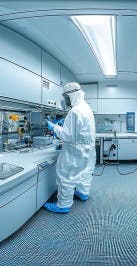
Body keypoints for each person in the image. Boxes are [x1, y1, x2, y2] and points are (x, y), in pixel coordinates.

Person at [43, 82, 97, 213]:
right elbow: (78, 131)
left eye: (66, 97)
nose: (65, 100)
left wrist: (54, 127)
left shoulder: (74, 111)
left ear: (72, 95)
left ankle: (63, 205)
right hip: (89, 149)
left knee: (67, 176)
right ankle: (83, 193)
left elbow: (68, 136)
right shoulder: (86, 107)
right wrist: (64, 124)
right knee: (85, 173)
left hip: (75, 150)